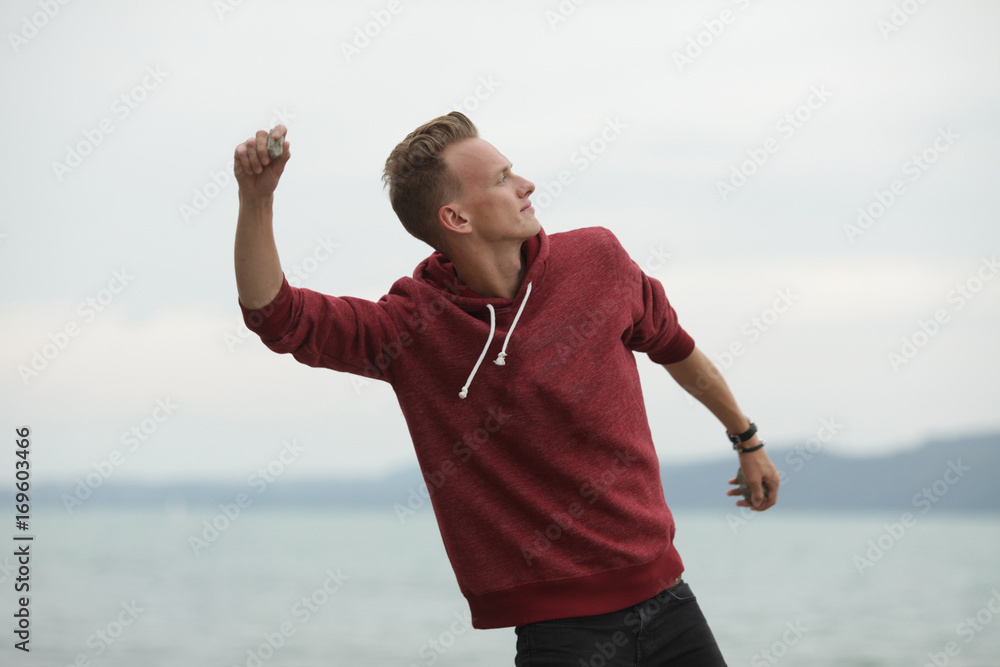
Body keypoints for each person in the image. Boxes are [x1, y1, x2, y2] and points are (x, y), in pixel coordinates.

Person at [233, 111, 780, 666]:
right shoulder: (409, 328)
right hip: (560, 636)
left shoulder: (598, 260)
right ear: (456, 217)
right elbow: (276, 316)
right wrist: (257, 200)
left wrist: (747, 439)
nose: (526, 185)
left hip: (669, 602)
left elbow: (677, 348)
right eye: (501, 179)